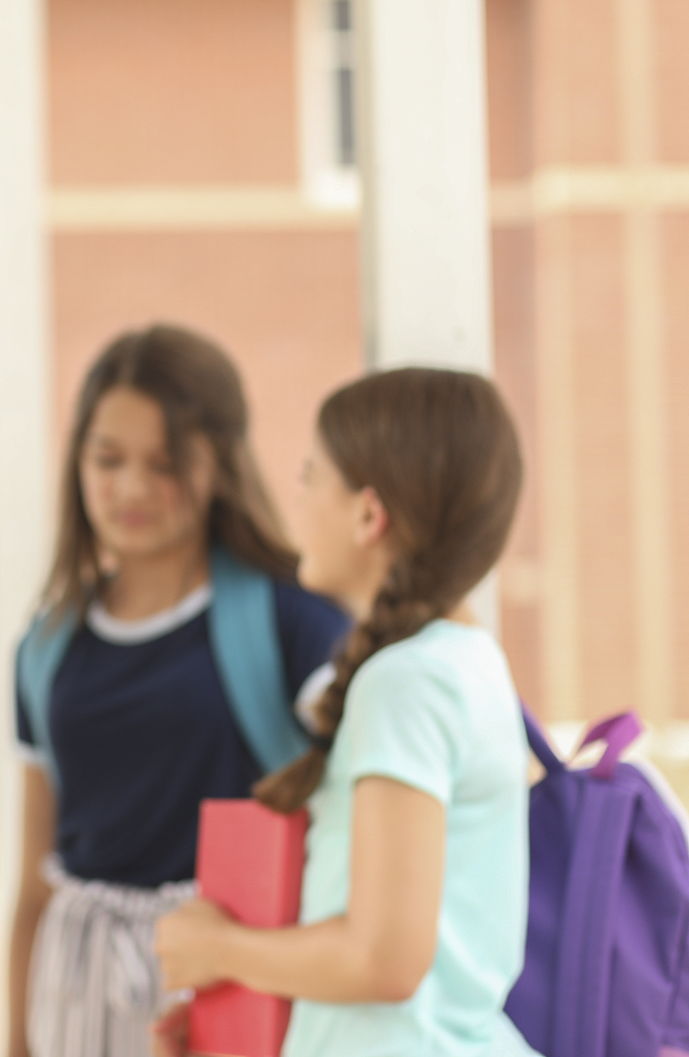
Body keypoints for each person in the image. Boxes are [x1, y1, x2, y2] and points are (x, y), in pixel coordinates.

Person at [153, 367, 534, 1057]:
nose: (295, 503)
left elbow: (383, 960)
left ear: (367, 515)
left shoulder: (406, 682)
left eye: (308, 479)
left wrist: (221, 949)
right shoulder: (463, 660)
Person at [9, 325, 350, 1057]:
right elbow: (35, 876)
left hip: (232, 974)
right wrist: (12, 1039)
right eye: (107, 458)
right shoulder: (46, 647)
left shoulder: (297, 623)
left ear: (219, 465)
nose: (130, 488)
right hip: (75, 988)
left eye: (163, 463)